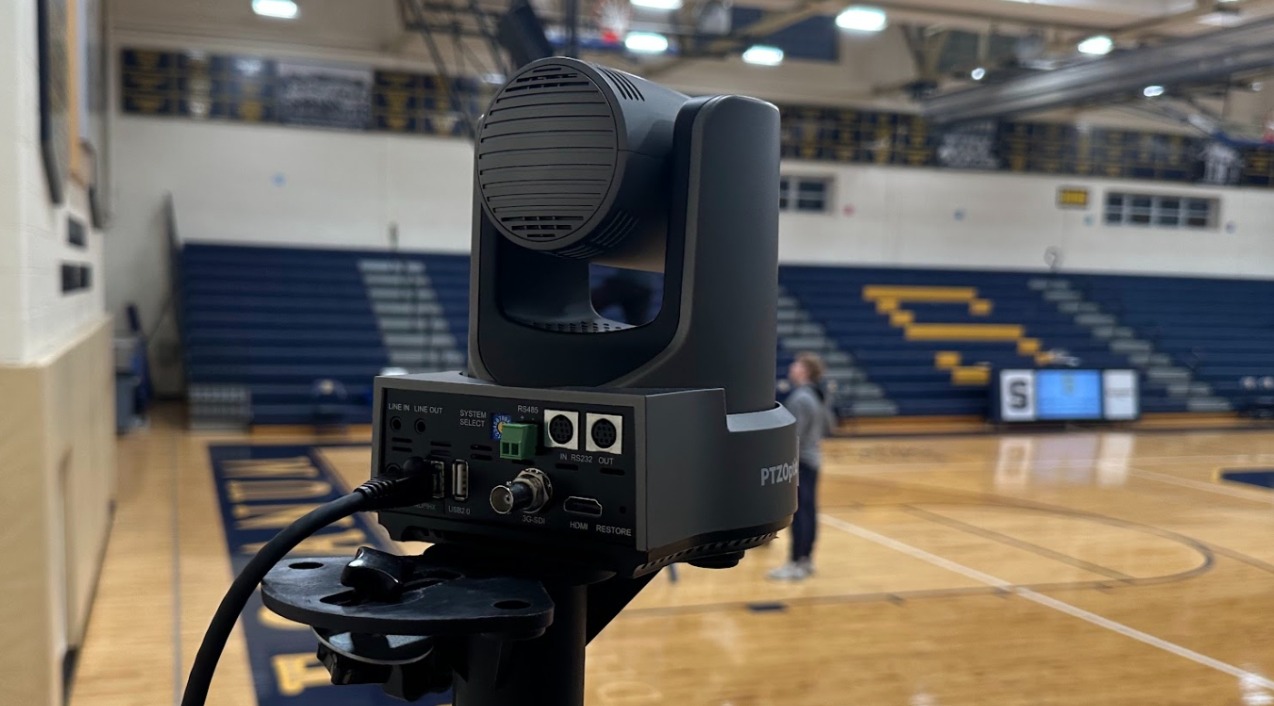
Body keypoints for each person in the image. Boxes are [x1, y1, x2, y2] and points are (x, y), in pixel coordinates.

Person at [769, 352, 832, 581]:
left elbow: (793, 435)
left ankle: (795, 564)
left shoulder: (800, 398)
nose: (792, 368)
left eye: (796, 365)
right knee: (809, 511)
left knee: (799, 514)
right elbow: (829, 426)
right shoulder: (818, 394)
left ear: (805, 371)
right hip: (814, 459)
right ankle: (806, 560)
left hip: (801, 462)